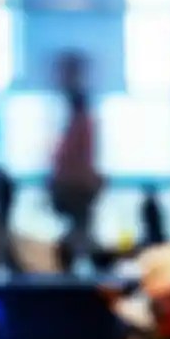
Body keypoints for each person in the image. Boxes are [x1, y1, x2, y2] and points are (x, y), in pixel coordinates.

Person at [49, 52, 101, 269]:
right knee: (80, 229)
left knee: (80, 230)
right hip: (75, 185)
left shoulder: (83, 122)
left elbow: (77, 156)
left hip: (77, 185)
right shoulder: (77, 123)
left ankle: (78, 263)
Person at [139, 184, 167, 250]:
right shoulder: (150, 205)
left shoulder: (147, 205)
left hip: (152, 234)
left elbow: (146, 221)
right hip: (154, 234)